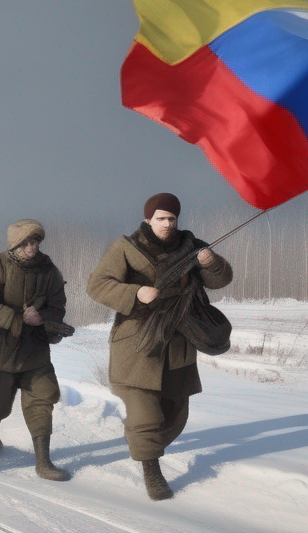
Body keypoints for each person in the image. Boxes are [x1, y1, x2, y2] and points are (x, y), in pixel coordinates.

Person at [86, 193, 233, 501]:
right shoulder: (126, 248)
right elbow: (98, 285)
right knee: (144, 413)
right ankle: (151, 470)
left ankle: (147, 444)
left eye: (172, 219)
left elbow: (220, 279)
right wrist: (136, 293)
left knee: (175, 415)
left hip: (178, 342)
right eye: (161, 218)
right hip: (137, 342)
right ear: (148, 219)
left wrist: (211, 262)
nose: (167, 224)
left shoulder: (192, 247)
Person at [0, 220, 70, 481]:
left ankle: (43, 462)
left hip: (34, 347)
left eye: (35, 241)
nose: (31, 246)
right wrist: (16, 318)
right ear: (14, 244)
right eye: (25, 242)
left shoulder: (49, 270)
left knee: (43, 397)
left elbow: (59, 305)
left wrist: (43, 317)